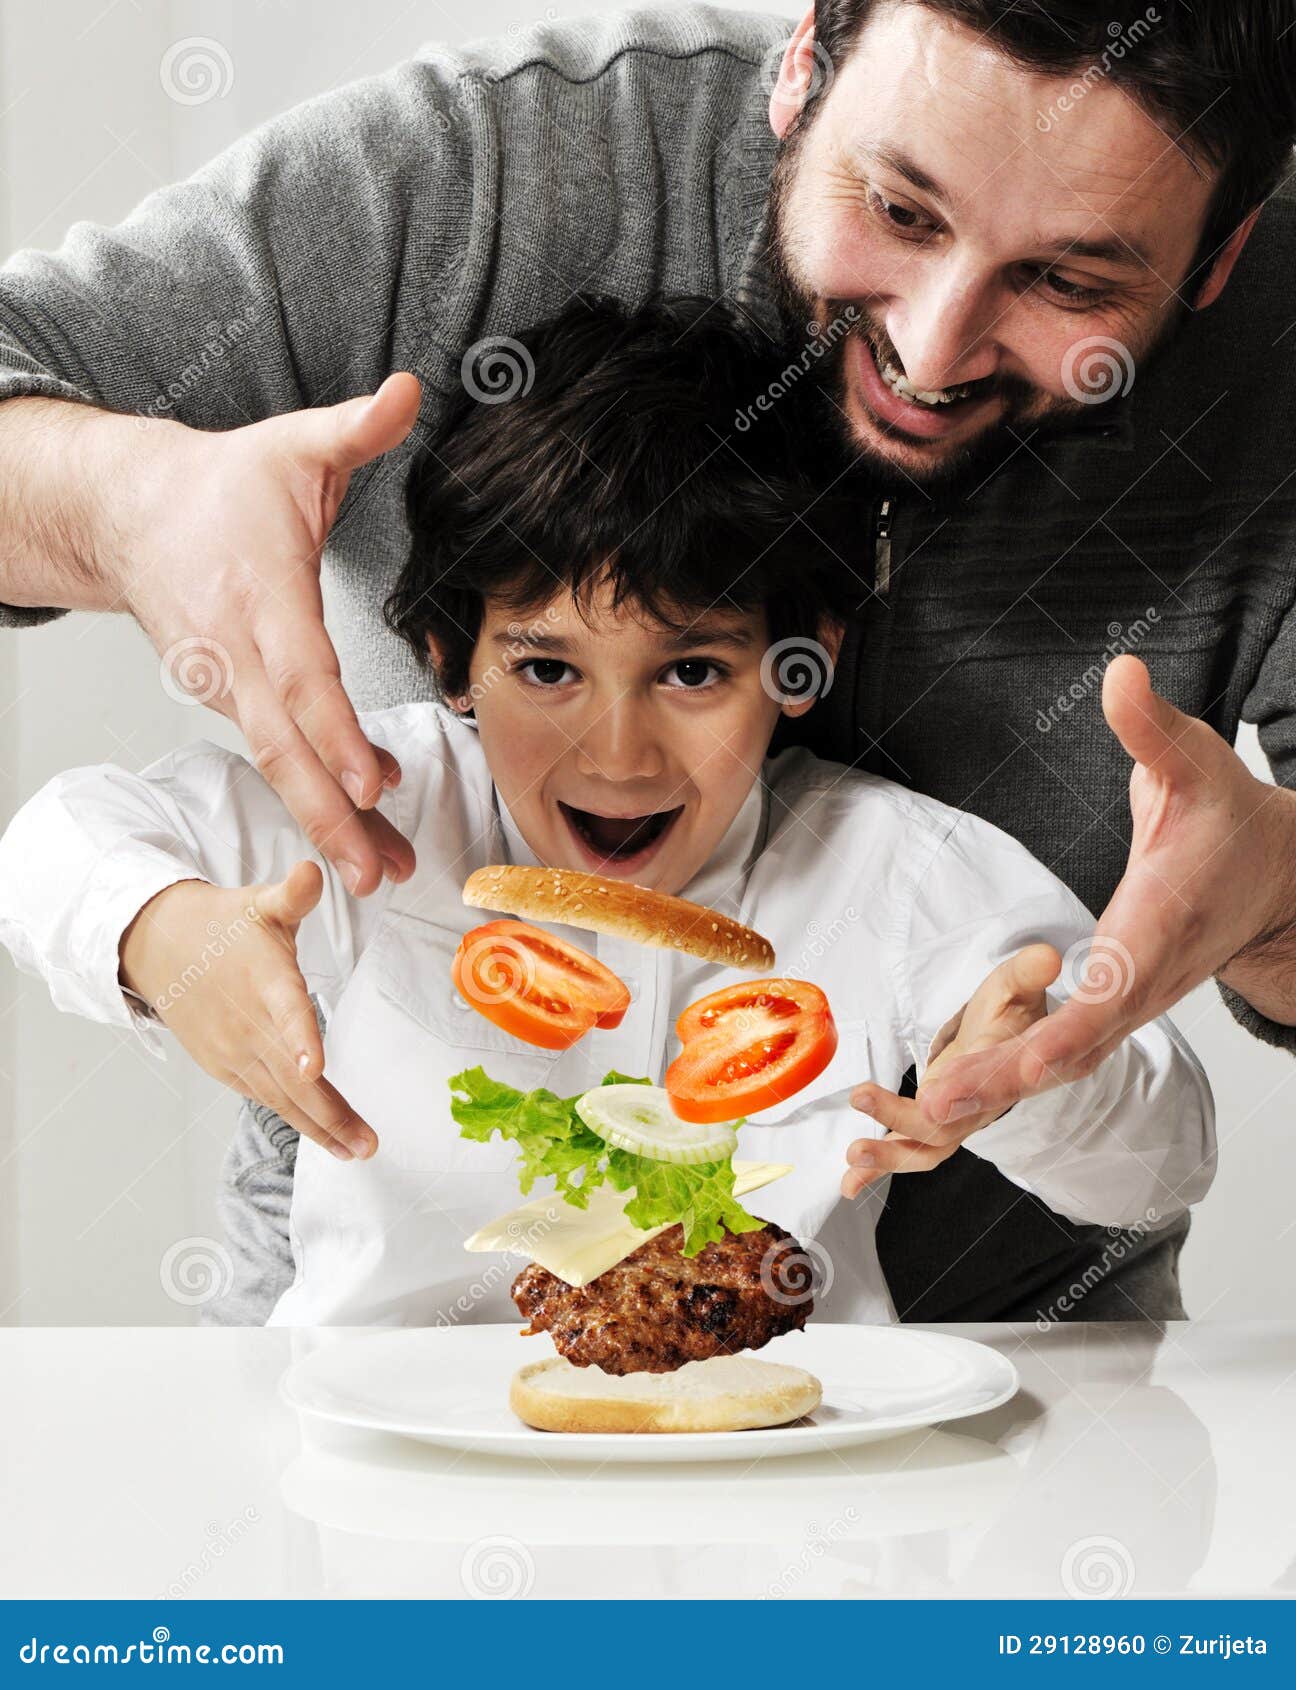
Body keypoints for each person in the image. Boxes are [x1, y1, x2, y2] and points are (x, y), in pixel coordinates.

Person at [1, 0, 1291, 1319]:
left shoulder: (898, 873)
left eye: (1071, 282)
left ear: (1222, 251)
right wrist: (123, 497)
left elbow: (1154, 1149)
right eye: (901, 210)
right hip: (360, 1427)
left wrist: (1270, 905)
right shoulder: (466, 172)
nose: (931, 348)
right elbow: (57, 848)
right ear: (804, 62)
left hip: (967, 1417)